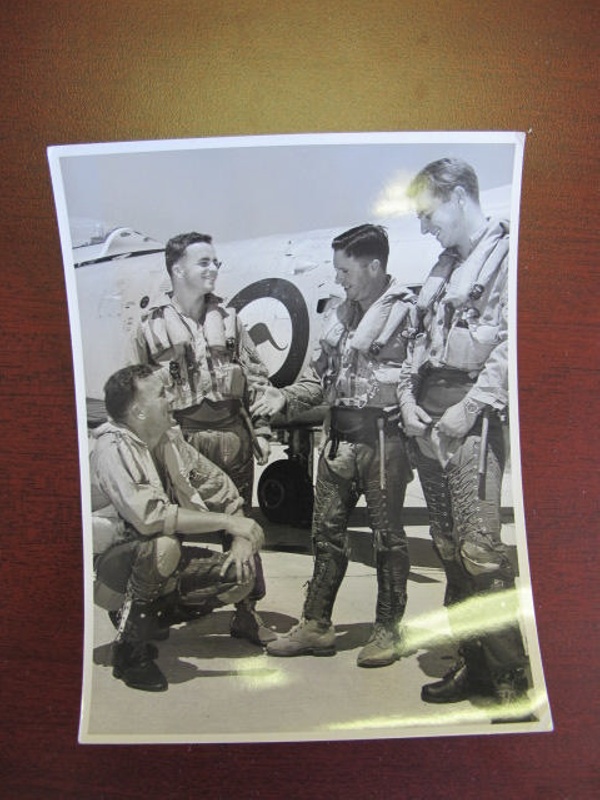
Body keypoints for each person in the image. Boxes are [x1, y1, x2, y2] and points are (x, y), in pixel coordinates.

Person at [398, 157, 530, 709]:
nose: (424, 227)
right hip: (428, 424)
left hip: (471, 422)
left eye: (428, 214)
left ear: (455, 197)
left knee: (480, 552)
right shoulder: (443, 268)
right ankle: (471, 665)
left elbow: (510, 346)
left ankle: (510, 679)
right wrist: (406, 401)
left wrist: (470, 408)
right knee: (449, 548)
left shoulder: (506, 259)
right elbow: (414, 345)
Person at [251, 224, 415, 668]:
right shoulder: (339, 317)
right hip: (338, 441)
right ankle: (316, 625)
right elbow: (316, 378)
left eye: (345, 269)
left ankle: (388, 629)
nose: (338, 278)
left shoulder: (410, 315)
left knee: (387, 540)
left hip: (384, 441)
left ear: (374, 265)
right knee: (326, 536)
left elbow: (424, 377)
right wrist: (283, 397)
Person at [133, 232, 276, 646]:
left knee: (242, 527)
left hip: (232, 436)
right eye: (204, 262)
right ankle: (161, 606)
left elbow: (255, 377)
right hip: (179, 440)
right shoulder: (150, 327)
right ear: (177, 269)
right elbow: (133, 391)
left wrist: (262, 430)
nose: (214, 268)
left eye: (216, 262)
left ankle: (247, 612)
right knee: (170, 529)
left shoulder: (230, 321)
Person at [91, 364, 265, 692]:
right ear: (138, 412)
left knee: (241, 575)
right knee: (164, 544)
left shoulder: (170, 442)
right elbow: (150, 517)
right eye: (161, 394)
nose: (171, 397)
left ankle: (147, 618)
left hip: (149, 562)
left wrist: (240, 536)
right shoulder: (111, 448)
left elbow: (221, 488)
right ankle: (131, 652)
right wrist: (229, 522)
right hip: (107, 574)